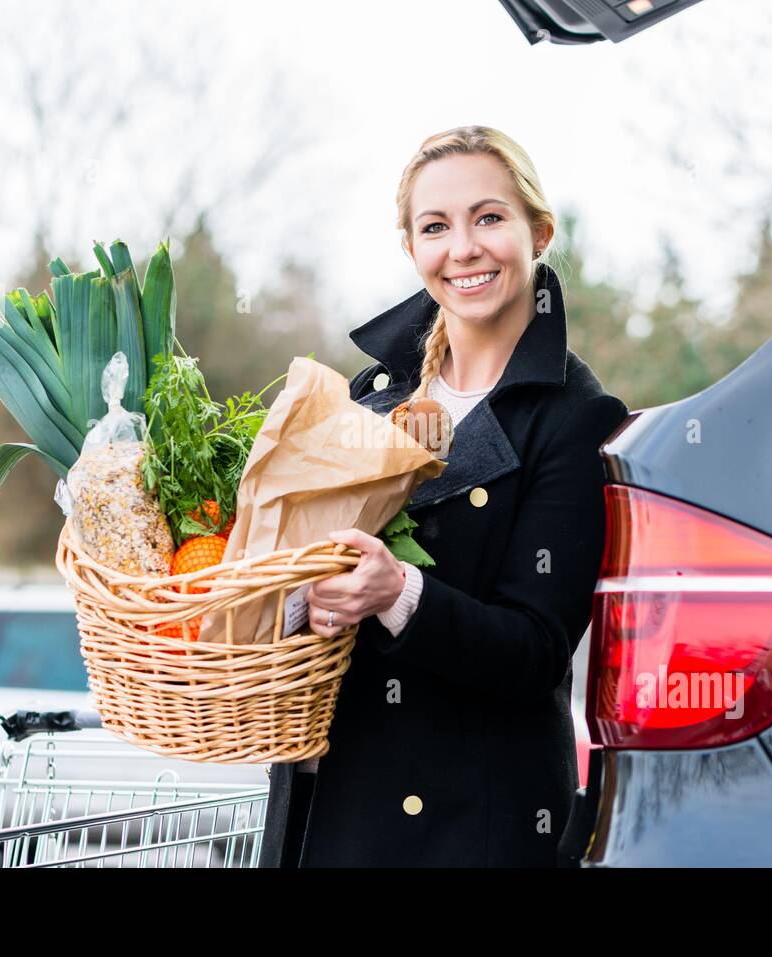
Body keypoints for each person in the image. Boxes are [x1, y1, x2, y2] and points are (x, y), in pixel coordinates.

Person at [258, 125, 628, 867]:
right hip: (337, 804)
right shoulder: (368, 399)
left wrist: (396, 591)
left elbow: (536, 650)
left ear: (539, 231)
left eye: (489, 217)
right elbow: (294, 573)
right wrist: (303, 598)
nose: (463, 248)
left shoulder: (576, 417)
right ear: (412, 249)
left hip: (474, 821)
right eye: (435, 227)